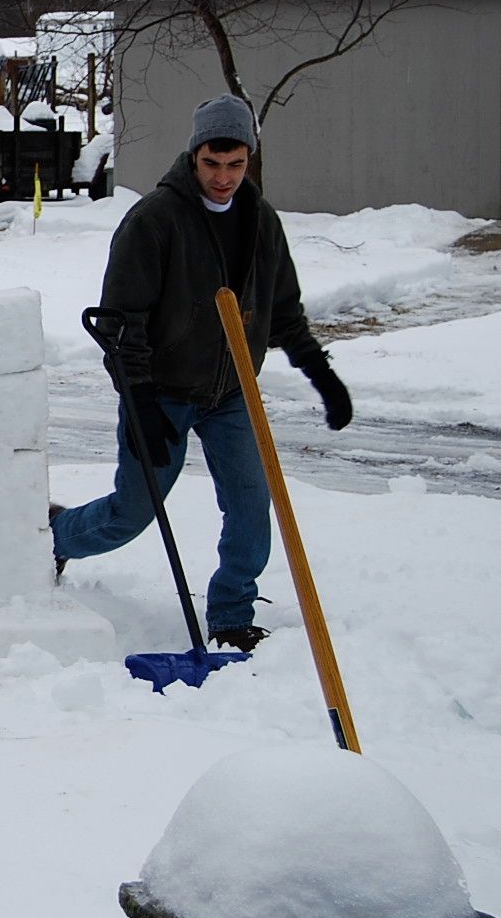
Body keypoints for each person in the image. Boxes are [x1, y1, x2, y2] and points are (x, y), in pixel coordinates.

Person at [51, 94, 352, 651]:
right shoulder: (155, 220)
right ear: (194, 155)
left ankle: (232, 615)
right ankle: (54, 537)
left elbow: (283, 310)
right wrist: (140, 400)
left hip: (232, 391)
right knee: (133, 512)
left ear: (249, 159)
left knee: (250, 507)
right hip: (161, 391)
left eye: (236, 164)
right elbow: (121, 322)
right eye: (212, 163)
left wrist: (321, 374)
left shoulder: (261, 221)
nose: (223, 177)